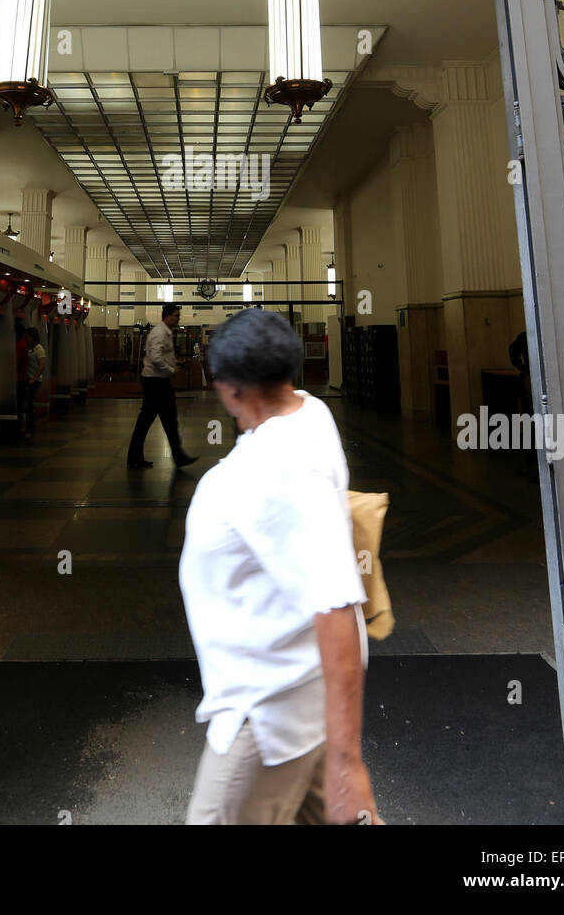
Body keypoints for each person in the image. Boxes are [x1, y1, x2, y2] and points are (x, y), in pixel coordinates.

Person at [180, 307, 381, 826]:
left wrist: (348, 763)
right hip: (298, 693)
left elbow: (335, 604)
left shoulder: (268, 470)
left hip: (268, 710)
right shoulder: (310, 412)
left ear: (229, 390)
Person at [127, 303, 197, 469]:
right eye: (176, 315)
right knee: (165, 418)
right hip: (156, 382)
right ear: (167, 316)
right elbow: (155, 357)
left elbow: (159, 356)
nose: (178, 318)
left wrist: (172, 365)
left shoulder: (163, 332)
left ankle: (136, 457)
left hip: (156, 381)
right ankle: (177, 456)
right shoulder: (160, 333)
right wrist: (171, 369)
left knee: (159, 419)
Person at [22, 325, 46, 441]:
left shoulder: (38, 349)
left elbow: (42, 365)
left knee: (29, 403)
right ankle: (29, 426)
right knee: (27, 404)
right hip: (27, 379)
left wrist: (34, 379)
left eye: (28, 337)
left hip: (34, 380)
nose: (26, 339)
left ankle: (29, 429)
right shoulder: (26, 348)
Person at [14, 320, 29, 435]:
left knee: (18, 406)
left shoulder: (19, 345)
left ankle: (18, 429)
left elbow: (17, 363)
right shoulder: (23, 344)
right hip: (23, 379)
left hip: (19, 380)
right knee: (21, 405)